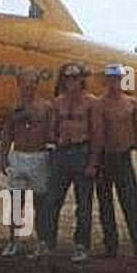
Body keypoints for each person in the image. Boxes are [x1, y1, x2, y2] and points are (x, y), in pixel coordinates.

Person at [44, 61, 101, 262]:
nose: (71, 82)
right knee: (52, 200)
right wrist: (57, 139)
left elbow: (96, 134)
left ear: (81, 80)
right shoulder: (57, 103)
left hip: (82, 152)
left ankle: (81, 245)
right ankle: (47, 243)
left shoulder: (91, 102)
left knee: (83, 204)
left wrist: (93, 162)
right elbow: (51, 130)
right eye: (67, 78)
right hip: (61, 154)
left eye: (75, 78)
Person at [95, 63, 137, 259]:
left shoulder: (131, 103)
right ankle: (111, 247)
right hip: (104, 157)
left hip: (123, 157)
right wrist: (93, 160)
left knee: (131, 204)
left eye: (117, 79)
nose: (113, 83)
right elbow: (96, 135)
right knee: (105, 204)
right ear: (106, 81)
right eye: (110, 79)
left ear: (121, 80)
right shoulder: (98, 104)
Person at [0, 68, 53, 256]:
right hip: (19, 155)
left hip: (38, 156)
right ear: (19, 84)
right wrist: (4, 157)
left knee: (40, 203)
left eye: (32, 83)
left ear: (37, 85)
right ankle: (13, 241)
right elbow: (7, 135)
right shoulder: (13, 108)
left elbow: (51, 133)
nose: (28, 87)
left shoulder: (46, 107)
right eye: (25, 83)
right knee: (15, 202)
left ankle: (42, 241)